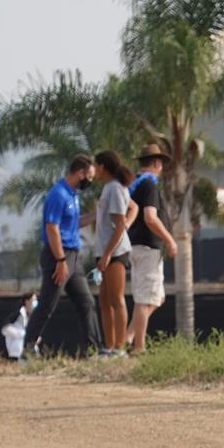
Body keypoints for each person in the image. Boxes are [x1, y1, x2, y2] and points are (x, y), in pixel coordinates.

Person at [29, 154, 98, 357]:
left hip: (73, 257)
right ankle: (27, 348)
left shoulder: (73, 196)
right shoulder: (58, 194)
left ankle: (93, 348)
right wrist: (60, 260)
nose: (90, 182)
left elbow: (73, 224)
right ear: (80, 173)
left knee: (86, 302)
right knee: (48, 304)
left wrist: (95, 214)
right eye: (89, 177)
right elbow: (52, 228)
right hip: (58, 255)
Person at [125, 144, 177, 354]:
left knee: (156, 297)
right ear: (156, 164)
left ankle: (128, 338)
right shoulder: (150, 185)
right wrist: (170, 240)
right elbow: (150, 217)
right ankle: (139, 347)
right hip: (147, 247)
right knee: (145, 299)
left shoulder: (135, 185)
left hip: (137, 246)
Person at [90, 150, 136, 357]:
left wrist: (108, 254)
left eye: (96, 165)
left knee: (117, 299)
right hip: (104, 251)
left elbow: (119, 226)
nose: (94, 169)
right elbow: (134, 208)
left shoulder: (116, 188)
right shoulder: (109, 188)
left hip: (115, 252)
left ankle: (120, 347)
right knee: (104, 300)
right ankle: (108, 346)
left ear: (102, 166)